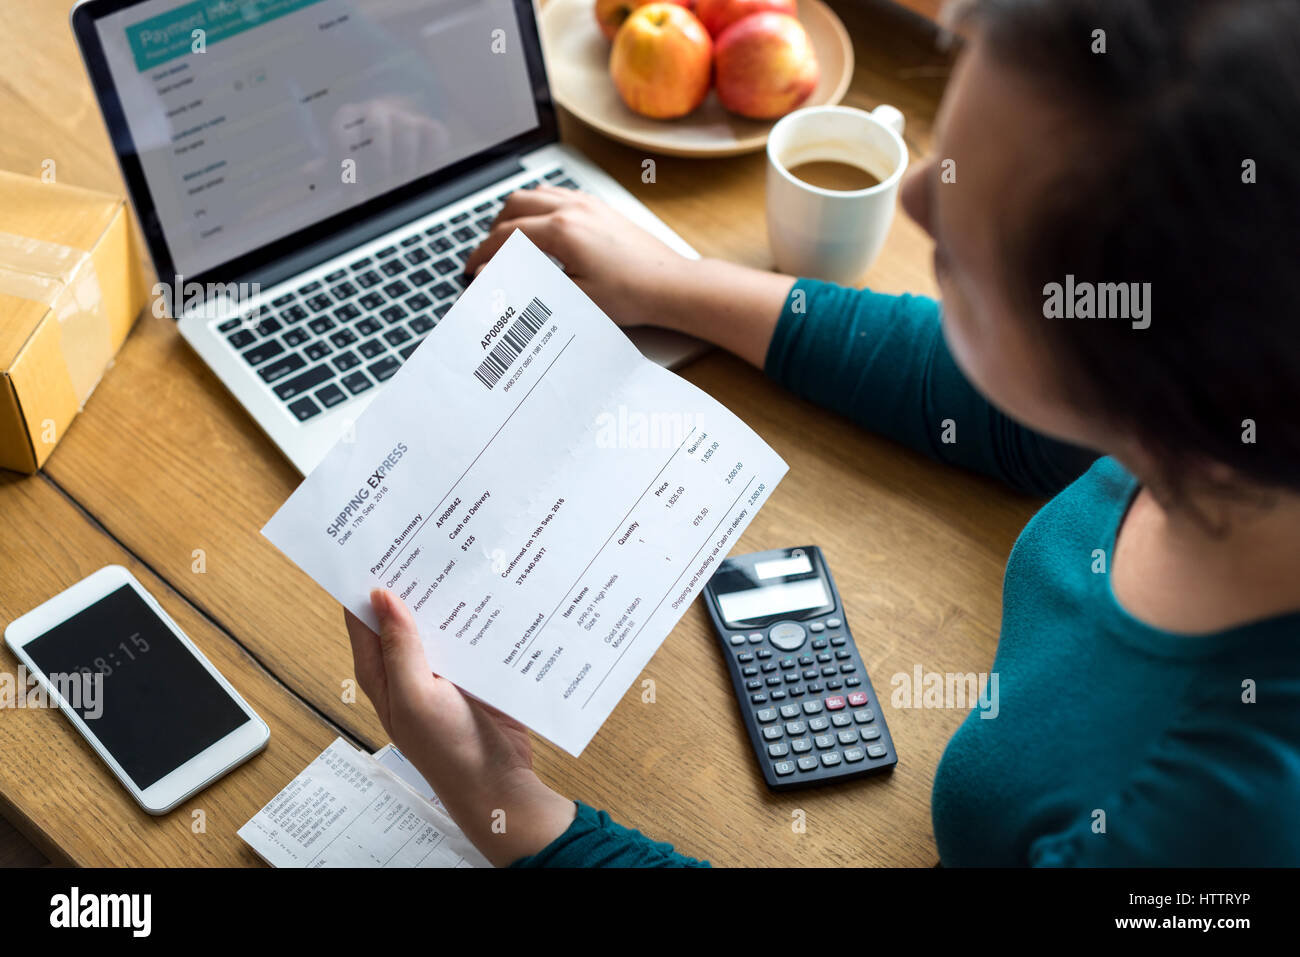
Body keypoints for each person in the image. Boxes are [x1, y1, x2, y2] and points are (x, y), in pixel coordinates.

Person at [344, 0, 1300, 866]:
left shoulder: (1214, 821)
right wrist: (668, 282)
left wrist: (503, 801)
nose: (919, 198)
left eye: (974, 241)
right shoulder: (1231, 422)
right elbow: (993, 401)